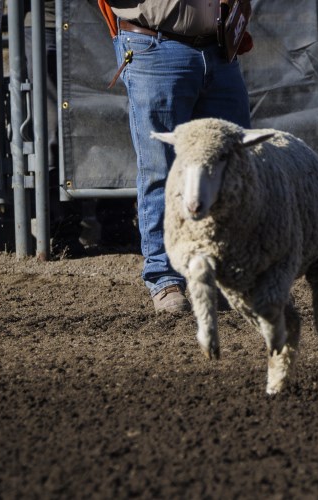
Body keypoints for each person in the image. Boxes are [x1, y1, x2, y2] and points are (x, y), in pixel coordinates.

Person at [101, 1, 253, 312]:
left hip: (218, 47)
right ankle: (165, 277)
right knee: (162, 169)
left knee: (232, 167)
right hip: (156, 44)